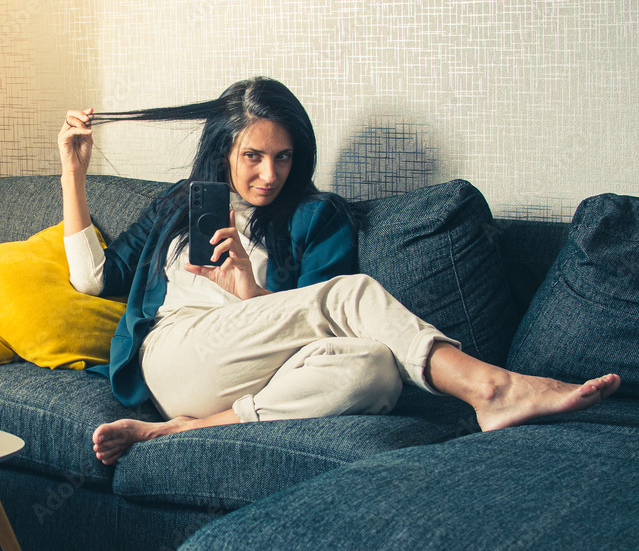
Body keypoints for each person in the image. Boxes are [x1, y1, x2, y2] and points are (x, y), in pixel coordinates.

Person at [58, 77, 620, 465]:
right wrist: (72, 173)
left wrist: (249, 291)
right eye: (253, 155)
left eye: (284, 157)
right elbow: (93, 279)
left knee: (373, 368)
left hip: (256, 379)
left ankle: (182, 431)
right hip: (177, 356)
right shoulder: (176, 207)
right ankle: (492, 387)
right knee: (351, 295)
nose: (269, 174)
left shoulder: (315, 217)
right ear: (224, 149)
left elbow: (310, 334)